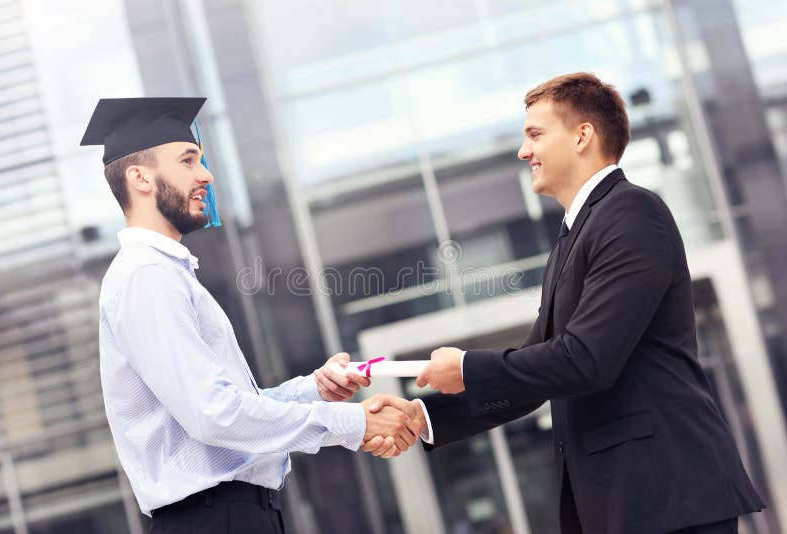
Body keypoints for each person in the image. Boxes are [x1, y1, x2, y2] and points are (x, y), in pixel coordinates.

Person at [364, 73, 765, 533]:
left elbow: (586, 359)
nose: (524, 152)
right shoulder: (572, 239)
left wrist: (468, 368)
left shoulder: (632, 213)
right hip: (630, 504)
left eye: (535, 134)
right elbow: (537, 370)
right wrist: (423, 415)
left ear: (582, 136)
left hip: (666, 496)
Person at [82, 97, 419, 534]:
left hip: (229, 516)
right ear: (140, 177)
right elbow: (214, 416)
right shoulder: (147, 276)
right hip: (214, 519)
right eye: (188, 160)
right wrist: (355, 422)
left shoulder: (164, 273)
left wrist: (313, 391)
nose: (206, 175)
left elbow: (224, 408)